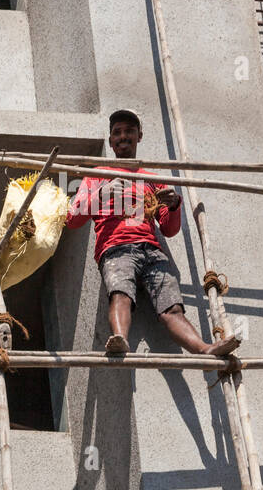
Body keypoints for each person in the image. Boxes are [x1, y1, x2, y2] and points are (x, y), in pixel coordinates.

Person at [66, 109, 240, 358]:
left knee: (172, 309)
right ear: (110, 140)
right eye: (117, 132)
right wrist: (103, 193)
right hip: (115, 248)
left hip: (152, 250)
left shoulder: (151, 177)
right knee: (120, 293)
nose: (123, 136)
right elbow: (72, 218)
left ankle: (205, 349)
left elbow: (169, 229)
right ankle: (120, 340)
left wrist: (174, 205)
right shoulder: (97, 174)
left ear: (140, 136)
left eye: (129, 131)